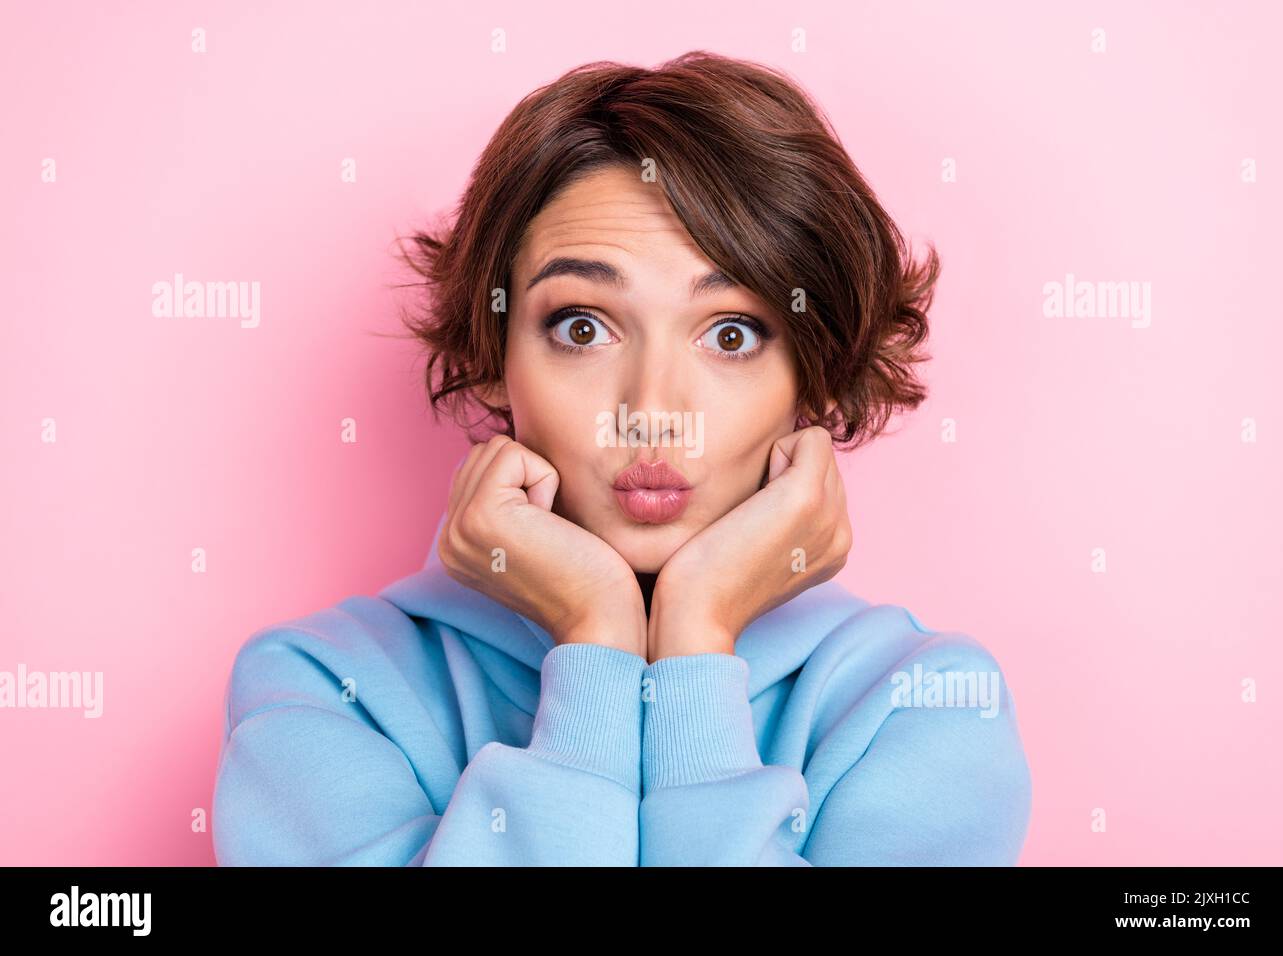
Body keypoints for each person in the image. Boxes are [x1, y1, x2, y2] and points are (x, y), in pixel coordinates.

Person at [211, 50, 1031, 866]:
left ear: (815, 377)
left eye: (732, 335)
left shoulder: (922, 703)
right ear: (493, 354)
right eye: (582, 327)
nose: (651, 413)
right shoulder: (327, 687)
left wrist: (698, 639)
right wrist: (595, 637)